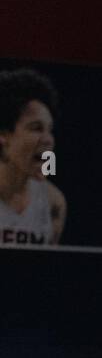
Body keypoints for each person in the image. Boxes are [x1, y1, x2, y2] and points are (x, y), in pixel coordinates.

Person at [0, 69, 64, 246]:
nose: (48, 139)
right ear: (4, 135)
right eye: (36, 128)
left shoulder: (53, 203)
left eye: (50, 130)